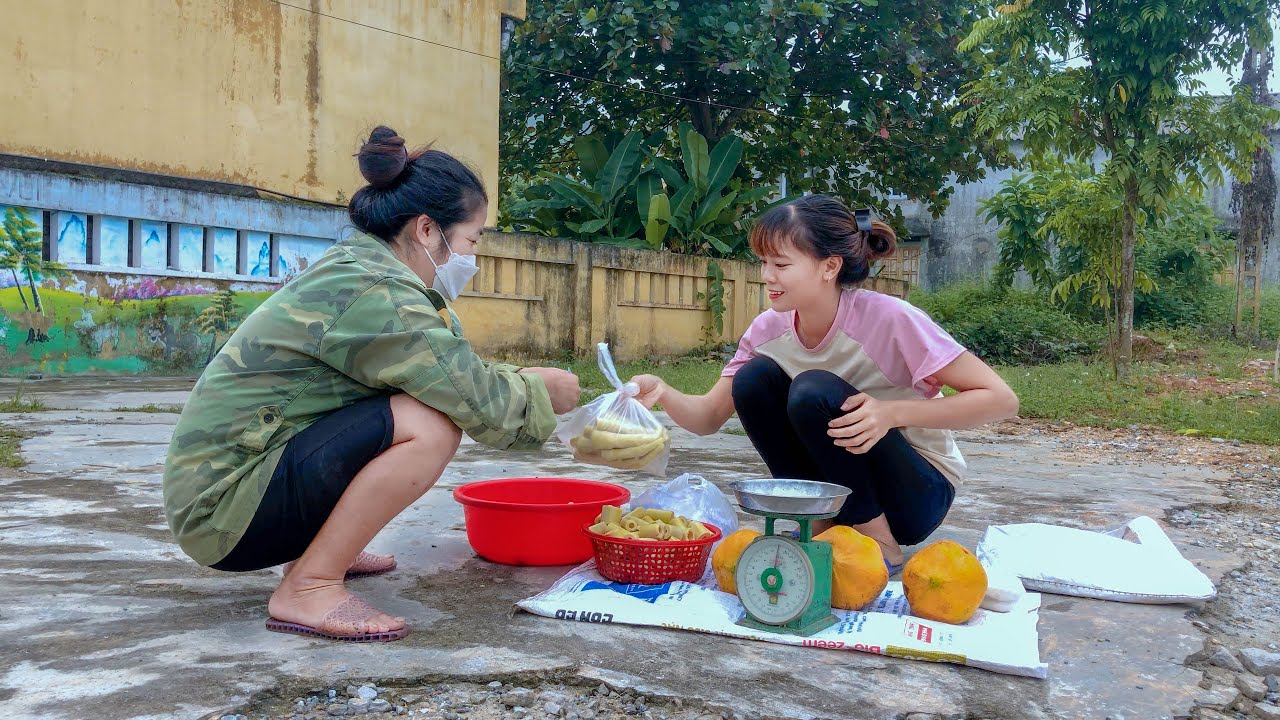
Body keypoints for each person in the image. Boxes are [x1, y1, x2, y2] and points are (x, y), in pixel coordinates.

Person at [162, 126, 581, 642]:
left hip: (230, 494)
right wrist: (543, 393)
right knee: (430, 425)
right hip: (224, 513)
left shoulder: (363, 270)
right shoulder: (381, 291)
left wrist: (518, 381)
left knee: (407, 403)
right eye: (472, 239)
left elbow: (446, 372)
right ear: (428, 229)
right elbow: (480, 404)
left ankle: (317, 549)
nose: (471, 258)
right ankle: (310, 585)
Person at [631, 195, 1018, 572]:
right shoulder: (767, 330)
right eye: (764, 262)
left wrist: (890, 413)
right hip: (839, 496)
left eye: (781, 264)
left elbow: (1000, 400)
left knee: (813, 391)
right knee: (753, 380)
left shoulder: (889, 319)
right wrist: (663, 392)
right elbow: (708, 418)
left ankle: (880, 544)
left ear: (829, 266)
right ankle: (818, 526)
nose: (767, 276)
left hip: (915, 496)